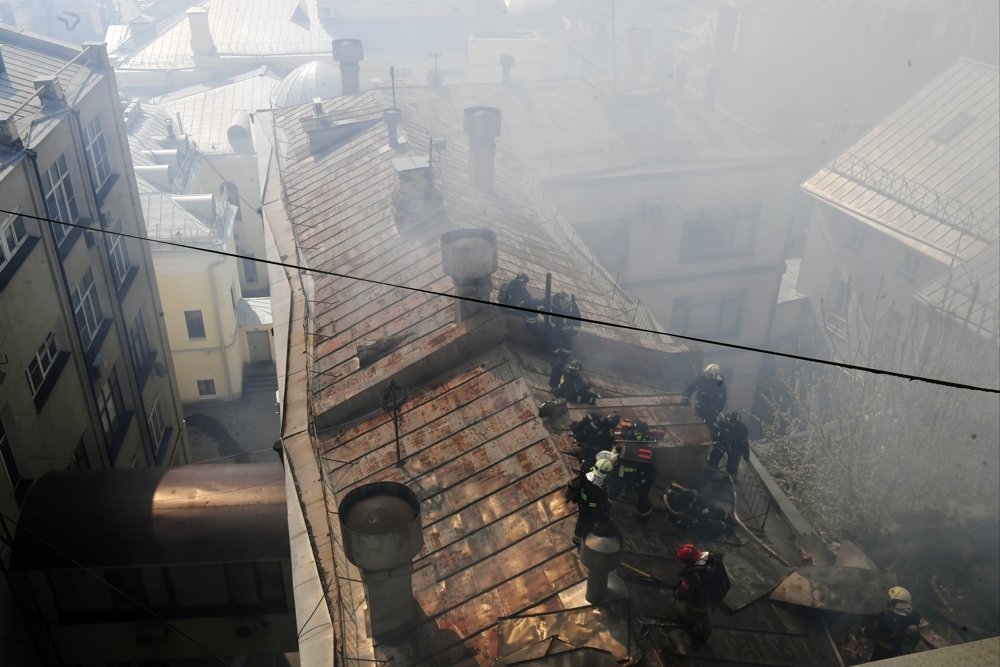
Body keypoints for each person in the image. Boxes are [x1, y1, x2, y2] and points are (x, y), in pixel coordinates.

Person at [674, 544, 729, 643]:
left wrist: (678, 594)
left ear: (687, 561)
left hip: (700, 597)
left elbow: (682, 594)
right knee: (700, 611)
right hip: (712, 591)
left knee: (697, 611)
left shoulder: (692, 575)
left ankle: (703, 633)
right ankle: (690, 621)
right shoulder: (710, 556)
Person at [861, 586, 922, 661]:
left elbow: (871, 633)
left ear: (895, 603)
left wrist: (863, 630)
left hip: (885, 651)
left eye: (891, 600)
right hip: (899, 649)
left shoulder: (887, 619)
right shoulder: (915, 614)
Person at [565, 457, 614, 545]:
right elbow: (595, 505)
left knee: (582, 520)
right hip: (589, 506)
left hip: (582, 502)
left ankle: (577, 538)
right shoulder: (597, 489)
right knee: (586, 522)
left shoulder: (587, 474)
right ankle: (581, 540)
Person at [663, 483, 730, 536]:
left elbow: (697, 499)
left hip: (702, 510)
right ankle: (722, 528)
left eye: (675, 493)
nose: (675, 495)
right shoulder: (678, 503)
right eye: (673, 495)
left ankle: (727, 522)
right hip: (695, 517)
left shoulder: (687, 493)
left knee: (712, 513)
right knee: (698, 525)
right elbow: (676, 512)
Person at [607, 446, 656, 517]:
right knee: (612, 493)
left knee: (640, 498)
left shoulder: (643, 453)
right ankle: (606, 511)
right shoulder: (625, 450)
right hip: (624, 475)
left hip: (637, 477)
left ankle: (646, 515)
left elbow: (644, 465)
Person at [708, 411, 750, 480]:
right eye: (731, 421)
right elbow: (715, 429)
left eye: (734, 422)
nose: (732, 424)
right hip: (722, 443)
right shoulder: (723, 422)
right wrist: (714, 439)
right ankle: (710, 473)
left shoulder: (743, 429)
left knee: (732, 466)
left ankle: (729, 477)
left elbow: (744, 443)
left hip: (734, 448)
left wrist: (746, 455)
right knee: (714, 457)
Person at [684, 364, 728, 430]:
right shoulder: (702, 378)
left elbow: (722, 399)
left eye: (709, 374)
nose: (707, 376)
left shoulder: (720, 383)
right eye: (706, 373)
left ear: (715, 375)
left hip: (712, 410)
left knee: (708, 428)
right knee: (694, 424)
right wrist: (686, 397)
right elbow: (692, 386)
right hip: (700, 406)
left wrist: (717, 410)